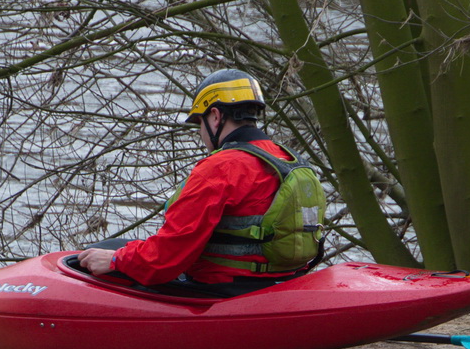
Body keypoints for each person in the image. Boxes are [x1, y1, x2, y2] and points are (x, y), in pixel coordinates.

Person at [77, 69, 326, 296]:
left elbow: (166, 259)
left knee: (107, 251)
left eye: (199, 122)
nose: (201, 133)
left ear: (215, 116)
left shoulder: (220, 167)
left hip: (223, 289)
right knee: (120, 248)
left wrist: (115, 260)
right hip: (282, 281)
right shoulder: (289, 159)